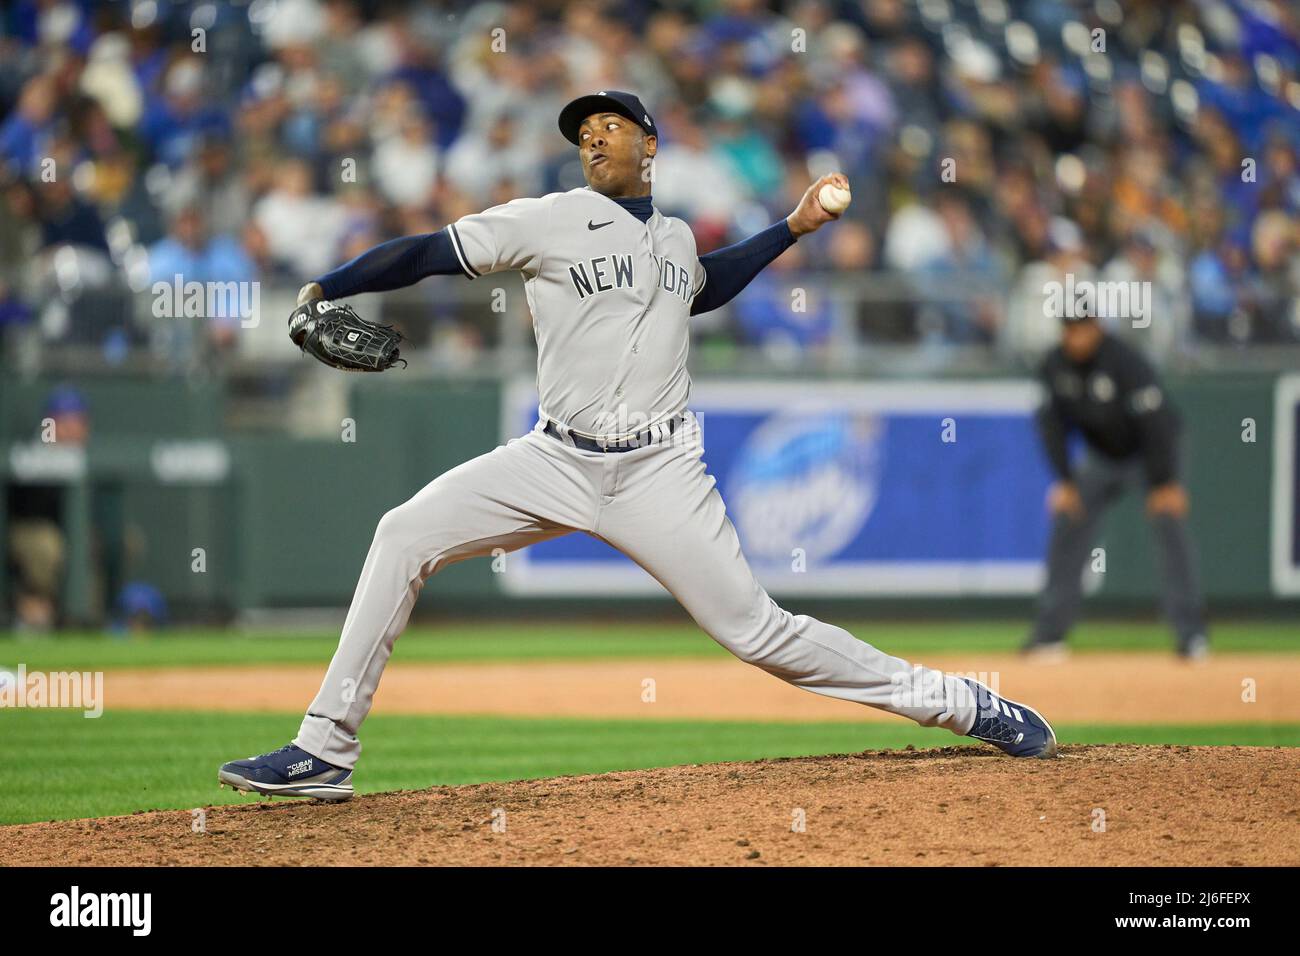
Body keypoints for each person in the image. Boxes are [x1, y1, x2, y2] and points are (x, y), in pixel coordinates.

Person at [219, 91, 1057, 802]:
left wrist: (791, 228)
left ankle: (963, 703)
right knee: (403, 532)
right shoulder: (548, 220)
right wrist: (330, 285)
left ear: (649, 144)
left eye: (609, 124)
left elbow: (703, 284)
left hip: (660, 471)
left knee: (761, 634)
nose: (591, 135)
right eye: (582, 129)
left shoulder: (677, 239)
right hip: (552, 460)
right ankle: (325, 749)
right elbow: (428, 253)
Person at [1024, 313, 1209, 660]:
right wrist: (1064, 481)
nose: (1074, 336)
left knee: (1170, 527)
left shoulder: (1125, 360)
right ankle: (1048, 636)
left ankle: (1192, 636)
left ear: (1097, 327)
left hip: (1151, 453)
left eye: (1081, 327)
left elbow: (1156, 424)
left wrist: (1165, 482)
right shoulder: (1054, 364)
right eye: (1068, 328)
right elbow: (1051, 427)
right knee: (1068, 524)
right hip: (1102, 457)